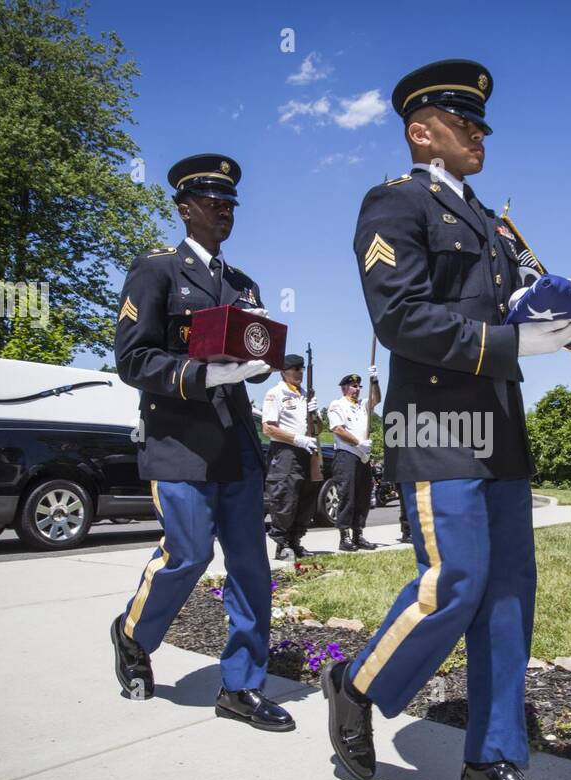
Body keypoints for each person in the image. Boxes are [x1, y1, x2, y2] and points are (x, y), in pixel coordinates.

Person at [321, 60, 571, 780]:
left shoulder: (494, 224)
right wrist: (515, 346)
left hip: (500, 429)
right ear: (422, 131)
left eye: (480, 123)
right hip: (436, 424)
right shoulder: (395, 204)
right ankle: (357, 684)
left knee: (509, 596)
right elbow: (400, 319)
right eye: (464, 121)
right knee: (456, 580)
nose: (479, 133)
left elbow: (522, 300)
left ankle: (492, 762)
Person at [110, 152, 295, 733]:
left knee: (249, 566)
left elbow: (257, 358)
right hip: (179, 441)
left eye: (230, 203)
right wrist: (199, 374)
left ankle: (241, 686)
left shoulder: (244, 284)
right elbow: (132, 357)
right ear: (184, 209)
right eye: (212, 201)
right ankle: (133, 635)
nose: (223, 210)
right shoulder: (156, 270)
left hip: (236, 442)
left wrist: (255, 359)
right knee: (188, 554)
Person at [261, 353, 319, 560]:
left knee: (306, 499)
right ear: (284, 371)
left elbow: (318, 428)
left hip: (307, 452)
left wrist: (316, 415)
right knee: (285, 498)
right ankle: (282, 544)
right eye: (295, 370)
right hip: (286, 452)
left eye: (301, 370)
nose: (299, 374)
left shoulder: (306, 394)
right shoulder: (275, 393)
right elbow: (268, 428)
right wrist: (297, 439)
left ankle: (296, 541)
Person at [326, 371, 377, 552]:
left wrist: (375, 381)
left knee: (363, 495)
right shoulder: (337, 404)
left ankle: (358, 533)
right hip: (347, 454)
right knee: (348, 495)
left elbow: (375, 399)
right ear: (344, 388)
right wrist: (358, 443)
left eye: (359, 386)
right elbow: (338, 429)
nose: (357, 389)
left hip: (362, 456)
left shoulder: (362, 405)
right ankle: (344, 536)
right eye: (354, 386)